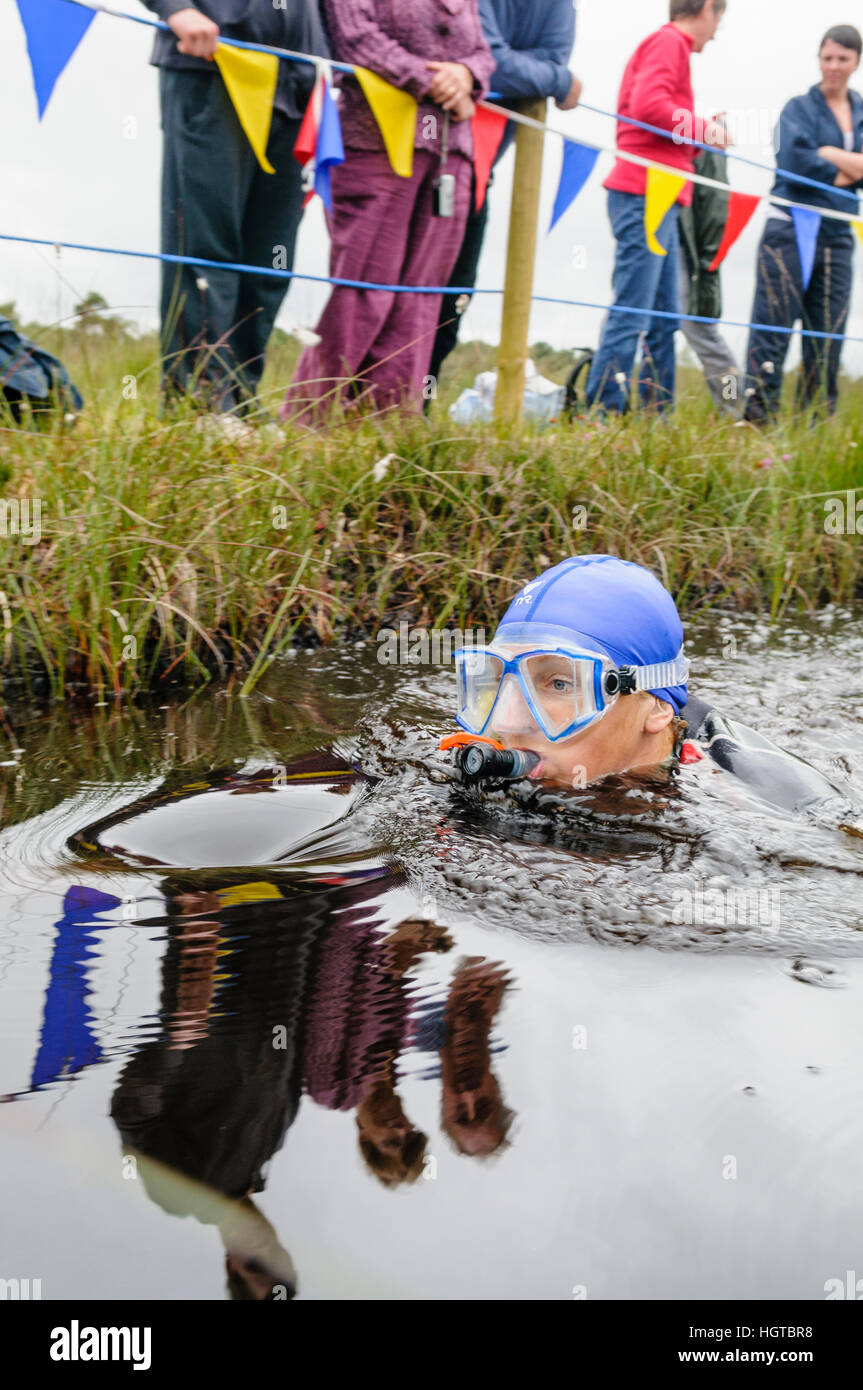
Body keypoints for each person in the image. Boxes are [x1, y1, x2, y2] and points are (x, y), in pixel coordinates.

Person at [448, 554, 849, 817]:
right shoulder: (479, 760)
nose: (509, 720)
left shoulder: (769, 801)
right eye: (500, 681)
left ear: (657, 706)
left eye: (557, 683)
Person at [280, 0, 495, 424]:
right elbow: (356, 38)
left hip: (451, 154)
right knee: (363, 288)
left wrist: (468, 75)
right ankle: (307, 421)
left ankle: (389, 426)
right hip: (374, 144)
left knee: (421, 298)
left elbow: (484, 53)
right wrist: (434, 81)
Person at [140, 1, 329, 417]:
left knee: (270, 260)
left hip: (296, 86)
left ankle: (241, 400)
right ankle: (199, 408)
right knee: (205, 247)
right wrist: (177, 9)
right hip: (212, 66)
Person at [427, 0, 580, 392]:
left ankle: (413, 409)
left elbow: (510, 64)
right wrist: (558, 81)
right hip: (419, 155)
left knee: (455, 298)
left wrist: (513, 68)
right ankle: (356, 404)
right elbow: (491, 62)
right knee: (402, 286)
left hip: (479, 171)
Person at [585, 0, 729, 416]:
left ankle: (656, 418)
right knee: (633, 308)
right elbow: (649, 106)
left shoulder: (674, 48)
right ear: (705, 9)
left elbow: (657, 113)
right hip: (644, 193)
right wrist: (704, 129)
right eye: (718, 19)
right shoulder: (670, 42)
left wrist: (695, 132)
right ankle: (602, 414)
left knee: (666, 317)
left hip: (662, 196)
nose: (716, 32)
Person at [742, 25, 863, 425]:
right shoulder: (797, 108)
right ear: (818, 59)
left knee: (827, 336)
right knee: (773, 328)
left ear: (856, 62)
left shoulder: (861, 110)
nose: (833, 66)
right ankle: (758, 423)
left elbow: (823, 164)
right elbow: (796, 166)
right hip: (789, 229)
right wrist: (848, 164)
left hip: (839, 233)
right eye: (827, 58)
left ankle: (812, 431)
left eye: (842, 59)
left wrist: (827, 153)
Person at [678, 143, 741, 413]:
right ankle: (648, 412)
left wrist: (707, 264)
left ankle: (733, 410)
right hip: (659, 243)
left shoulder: (706, 144)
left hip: (690, 259)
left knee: (705, 337)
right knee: (644, 328)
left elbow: (716, 208)